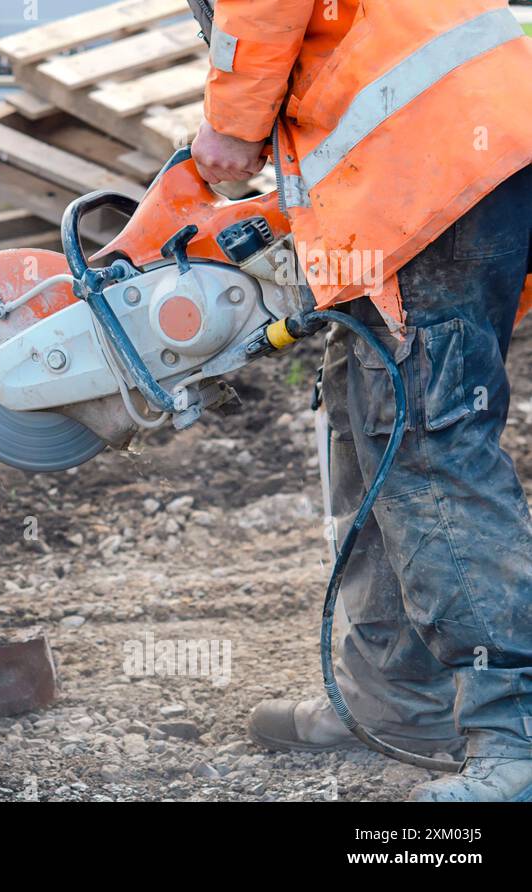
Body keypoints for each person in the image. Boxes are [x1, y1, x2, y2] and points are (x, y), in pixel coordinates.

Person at [189, 0, 532, 801]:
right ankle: (397, 700)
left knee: (424, 441)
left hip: (428, 166)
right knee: (371, 416)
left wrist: (234, 123)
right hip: (449, 148)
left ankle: (514, 732)